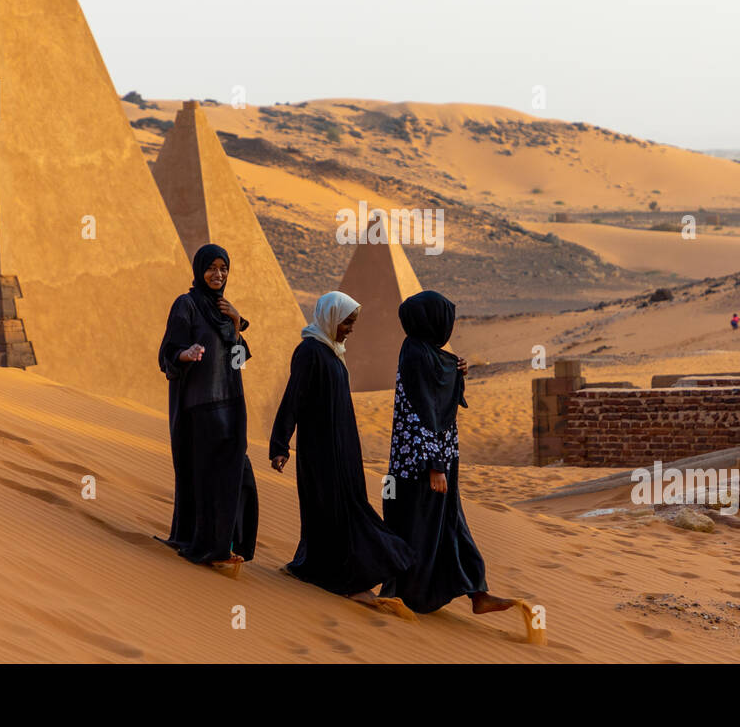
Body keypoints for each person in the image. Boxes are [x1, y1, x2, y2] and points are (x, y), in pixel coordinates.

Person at [269, 291, 415, 613]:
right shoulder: (309, 352)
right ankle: (349, 581)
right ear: (330, 318)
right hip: (320, 451)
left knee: (346, 508)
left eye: (352, 322)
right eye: (346, 322)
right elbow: (293, 398)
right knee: (334, 512)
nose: (350, 329)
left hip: (343, 449)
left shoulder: (333, 353)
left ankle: (329, 572)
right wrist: (280, 444)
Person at [380, 290, 516, 615]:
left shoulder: (426, 351)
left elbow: (440, 389)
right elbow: (422, 411)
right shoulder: (414, 353)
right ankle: (400, 594)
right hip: (418, 464)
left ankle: (477, 591)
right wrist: (434, 465)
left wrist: (458, 371)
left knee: (452, 524)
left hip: (440, 458)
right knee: (415, 528)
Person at [155, 243, 258, 576]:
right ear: (200, 270)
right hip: (200, 408)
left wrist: (237, 323)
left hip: (231, 404)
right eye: (212, 268)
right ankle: (212, 547)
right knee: (209, 478)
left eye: (224, 268)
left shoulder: (225, 310)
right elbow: (168, 354)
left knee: (236, 475)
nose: (218, 274)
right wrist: (188, 354)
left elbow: (239, 362)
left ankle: (225, 544)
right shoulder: (186, 305)